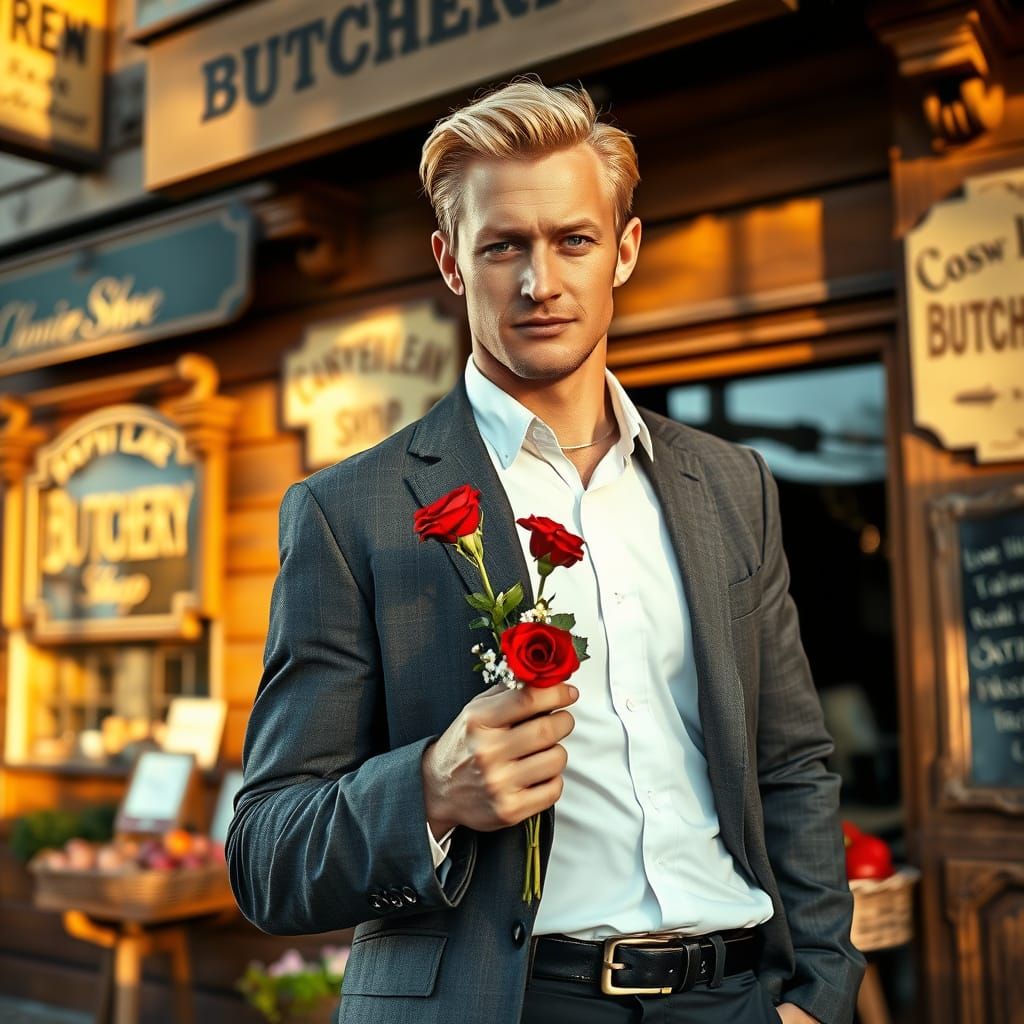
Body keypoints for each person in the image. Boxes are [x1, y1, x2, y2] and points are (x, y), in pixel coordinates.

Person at [227, 79, 864, 1024]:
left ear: (625, 250)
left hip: (735, 998)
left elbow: (793, 765)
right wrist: (429, 791)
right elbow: (267, 855)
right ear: (451, 262)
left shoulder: (733, 487)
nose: (541, 282)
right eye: (503, 247)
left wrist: (818, 990)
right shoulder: (347, 511)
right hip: (508, 1002)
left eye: (573, 240)